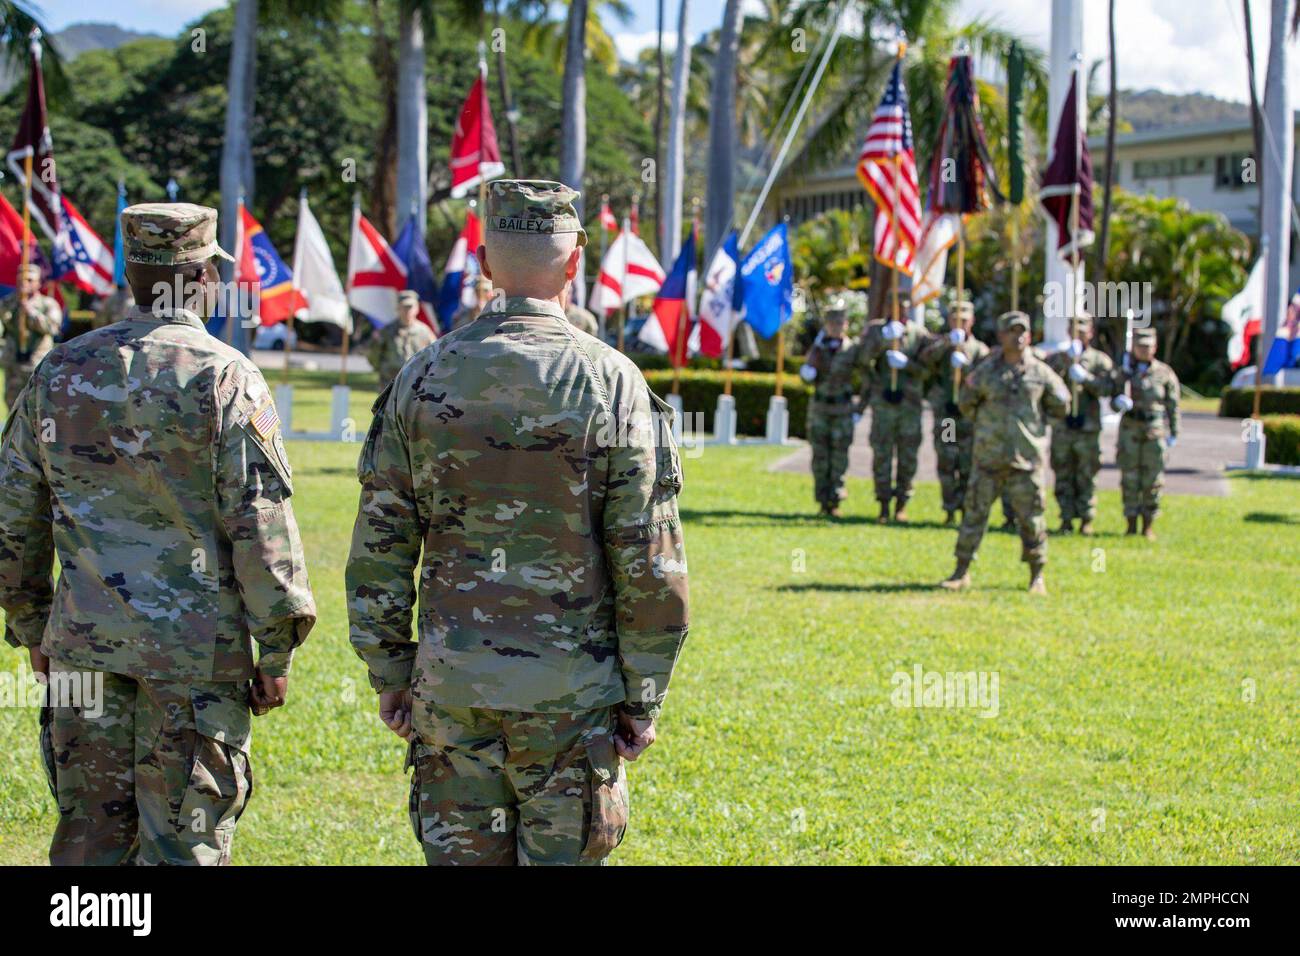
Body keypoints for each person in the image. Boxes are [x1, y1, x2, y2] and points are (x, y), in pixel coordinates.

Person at [346, 180, 689, 866]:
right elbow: (648, 559)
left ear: (483, 261)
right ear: (575, 262)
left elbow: (380, 544)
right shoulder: (612, 381)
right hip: (572, 697)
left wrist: (391, 669)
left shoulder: (422, 375)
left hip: (452, 690)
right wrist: (643, 692)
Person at [0, 203, 316, 865]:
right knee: (185, 845)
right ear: (200, 276)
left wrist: (34, 628)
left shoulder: (58, 373)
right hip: (195, 662)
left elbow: (13, 519)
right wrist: (277, 648)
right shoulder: (226, 377)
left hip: (83, 652)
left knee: (88, 844)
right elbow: (260, 524)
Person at [941, 310, 1071, 595]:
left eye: (1023, 330)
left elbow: (1061, 404)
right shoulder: (986, 371)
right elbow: (966, 403)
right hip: (989, 457)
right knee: (974, 513)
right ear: (1001, 336)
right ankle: (961, 571)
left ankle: (1037, 574)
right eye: (1013, 330)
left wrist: (1034, 428)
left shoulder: (1040, 371)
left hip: (1025, 459)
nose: (1020, 335)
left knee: (1032, 518)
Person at [853, 302, 930, 524]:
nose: (898, 310)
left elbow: (927, 371)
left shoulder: (918, 334)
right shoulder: (876, 330)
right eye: (894, 305)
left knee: (908, 457)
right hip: (883, 404)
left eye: (903, 307)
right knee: (882, 455)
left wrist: (907, 364)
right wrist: (882, 342)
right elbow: (861, 361)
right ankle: (884, 504)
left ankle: (902, 503)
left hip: (909, 405)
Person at [1045, 311, 1116, 535]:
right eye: (1074, 330)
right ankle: (1066, 518)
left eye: (1083, 331)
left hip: (1088, 427)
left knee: (1087, 473)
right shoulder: (1057, 358)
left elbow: (1107, 388)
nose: (1078, 334)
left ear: (1091, 333)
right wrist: (1066, 364)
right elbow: (1047, 384)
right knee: (1063, 472)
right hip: (1063, 426)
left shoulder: (1100, 360)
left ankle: (1086, 518)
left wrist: (1087, 378)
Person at [919, 301, 989, 525]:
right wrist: (948, 343)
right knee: (948, 459)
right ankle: (949, 508)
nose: (960, 324)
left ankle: (966, 508)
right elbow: (925, 361)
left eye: (964, 320)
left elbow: (985, 379)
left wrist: (967, 366)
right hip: (948, 417)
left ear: (972, 321)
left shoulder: (980, 350)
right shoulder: (941, 345)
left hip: (968, 416)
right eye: (955, 320)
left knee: (968, 462)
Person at [1112, 326, 1179, 540]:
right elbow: (1111, 398)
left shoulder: (1164, 373)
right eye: (1139, 346)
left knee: (1153, 479)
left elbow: (1173, 405)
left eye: (1147, 346)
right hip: (1130, 431)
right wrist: (1118, 401)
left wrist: (1174, 432)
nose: (1143, 350)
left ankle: (1148, 524)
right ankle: (1130, 523)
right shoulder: (1124, 372)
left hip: (1154, 431)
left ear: (1154, 347)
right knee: (1129, 478)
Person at [800, 300, 857, 517]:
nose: (835, 327)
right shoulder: (818, 348)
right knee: (820, 457)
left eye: (839, 323)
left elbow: (867, 377)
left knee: (839, 457)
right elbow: (806, 376)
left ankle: (835, 500)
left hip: (842, 410)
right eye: (831, 323)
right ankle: (822, 501)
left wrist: (860, 408)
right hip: (821, 409)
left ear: (846, 324)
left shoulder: (852, 349)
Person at [1, 264, 63, 412]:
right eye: (21, 279)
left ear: (38, 283)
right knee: (13, 407)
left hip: (37, 364)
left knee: (38, 407)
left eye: (29, 280)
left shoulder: (48, 304)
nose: (24, 283)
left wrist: (30, 312)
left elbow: (53, 328)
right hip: (14, 364)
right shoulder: (8, 302)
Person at [368, 289, 437, 388]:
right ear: (398, 308)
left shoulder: (424, 332)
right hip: (390, 383)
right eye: (404, 307)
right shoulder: (387, 331)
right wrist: (383, 370)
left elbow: (435, 356)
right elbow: (374, 356)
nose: (407, 311)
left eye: (410, 307)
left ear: (417, 308)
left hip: (416, 384)